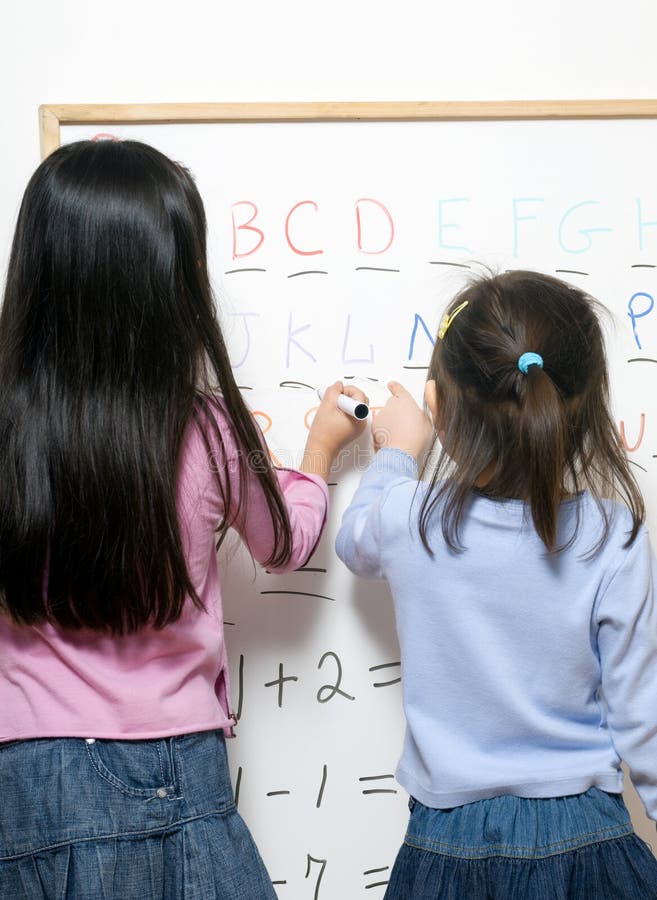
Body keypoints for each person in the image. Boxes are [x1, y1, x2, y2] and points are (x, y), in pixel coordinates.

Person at [0, 139, 367, 899]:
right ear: (166, 283)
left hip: (19, 776)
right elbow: (286, 541)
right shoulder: (202, 429)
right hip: (164, 771)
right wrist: (320, 451)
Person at [336, 269, 657, 898]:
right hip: (588, 837)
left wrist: (400, 451)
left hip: (447, 846)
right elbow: (643, 717)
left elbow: (353, 542)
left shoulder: (409, 517)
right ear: (584, 410)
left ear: (441, 412)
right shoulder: (612, 534)